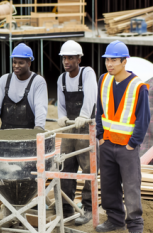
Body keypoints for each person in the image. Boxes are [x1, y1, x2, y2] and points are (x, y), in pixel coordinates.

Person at [95, 41, 150, 233]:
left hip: (127, 147)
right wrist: (100, 137)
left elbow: (143, 120)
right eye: (107, 60)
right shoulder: (103, 80)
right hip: (107, 144)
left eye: (114, 60)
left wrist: (132, 144)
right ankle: (115, 220)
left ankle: (135, 225)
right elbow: (99, 111)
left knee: (131, 188)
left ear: (125, 61)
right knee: (109, 186)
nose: (110, 64)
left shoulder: (138, 87)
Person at [56, 40, 97, 225]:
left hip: (86, 126)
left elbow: (91, 96)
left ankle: (88, 208)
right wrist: (62, 117)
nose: (67, 61)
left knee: (88, 170)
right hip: (70, 129)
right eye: (65, 57)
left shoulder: (87, 73)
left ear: (79, 59)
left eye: (71, 57)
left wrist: (84, 115)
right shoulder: (62, 79)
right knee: (65, 166)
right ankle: (66, 208)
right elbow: (61, 103)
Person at [0, 43, 48, 130]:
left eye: (21, 63)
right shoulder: (4, 80)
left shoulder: (38, 82)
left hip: (29, 134)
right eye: (14, 62)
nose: (16, 66)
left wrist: (39, 127)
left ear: (29, 63)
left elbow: (40, 107)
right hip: (5, 134)